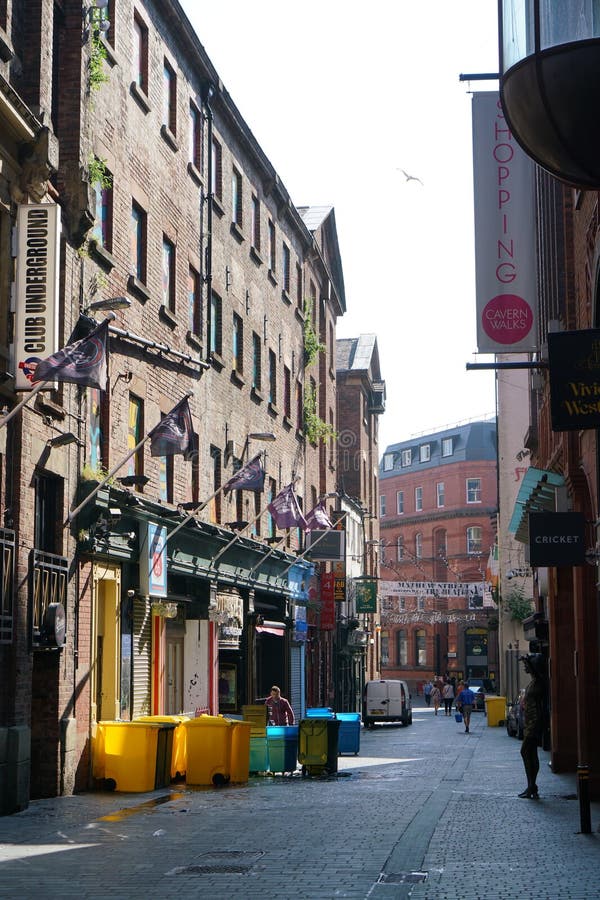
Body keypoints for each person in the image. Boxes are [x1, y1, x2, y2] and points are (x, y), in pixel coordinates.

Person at [518, 654, 546, 799]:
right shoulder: (534, 682)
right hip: (530, 723)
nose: (525, 667)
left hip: (535, 722)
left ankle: (532, 786)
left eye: (527, 665)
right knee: (530, 753)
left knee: (525, 751)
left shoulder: (540, 682)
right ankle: (531, 786)